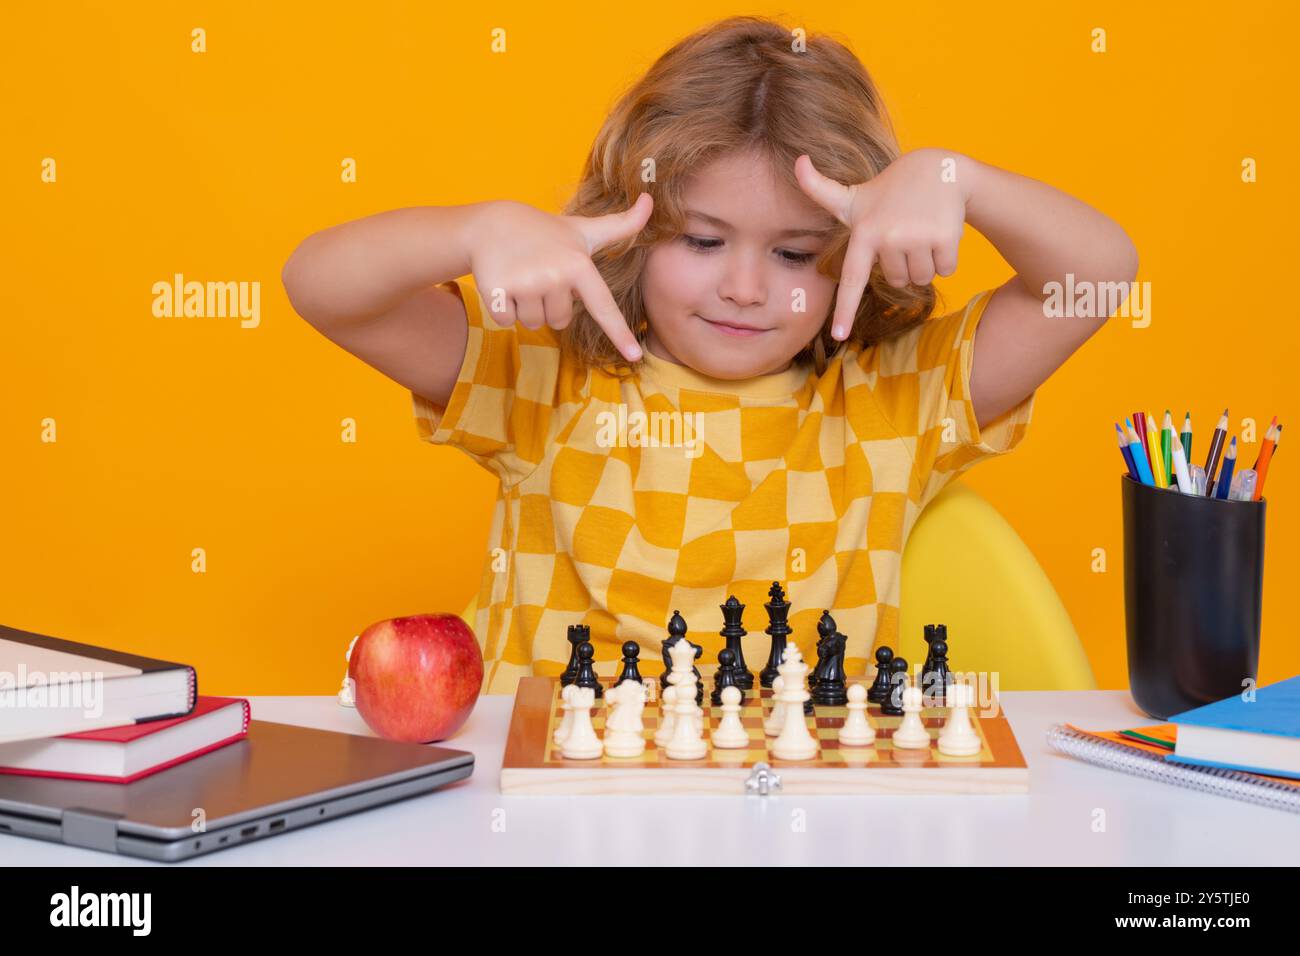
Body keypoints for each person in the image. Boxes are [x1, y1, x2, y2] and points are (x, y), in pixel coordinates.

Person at [282, 16, 1136, 694]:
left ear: (857, 250)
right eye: (700, 238)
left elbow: (1099, 276)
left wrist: (961, 181)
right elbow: (322, 286)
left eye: (796, 255)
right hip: (554, 825)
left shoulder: (894, 403)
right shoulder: (542, 380)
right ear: (631, 228)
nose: (744, 287)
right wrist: (473, 229)